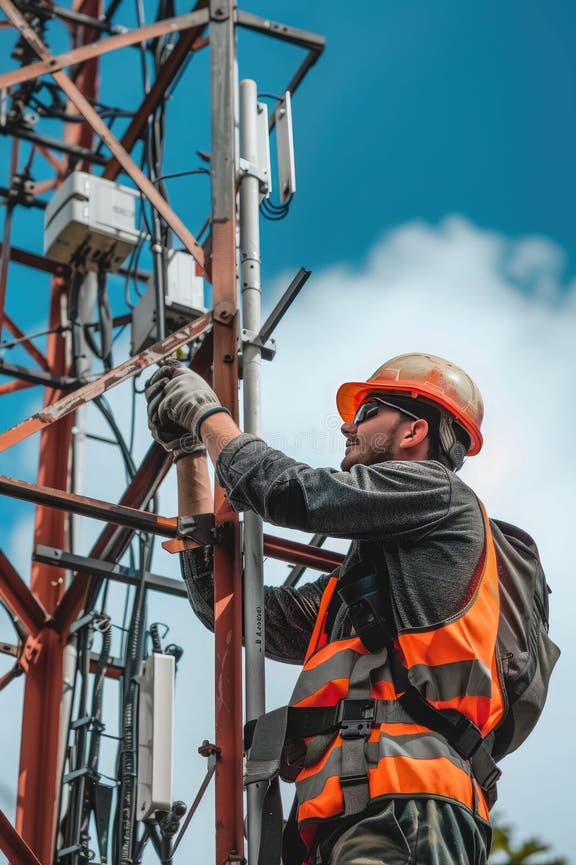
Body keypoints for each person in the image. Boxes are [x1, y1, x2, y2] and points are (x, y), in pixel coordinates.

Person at [145, 352, 532, 865]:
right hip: (356, 811)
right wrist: (190, 457)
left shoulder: (438, 493)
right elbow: (236, 618)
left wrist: (206, 416)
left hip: (406, 802)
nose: (349, 426)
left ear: (416, 430)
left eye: (369, 411)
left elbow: (290, 491)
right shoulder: (370, 587)